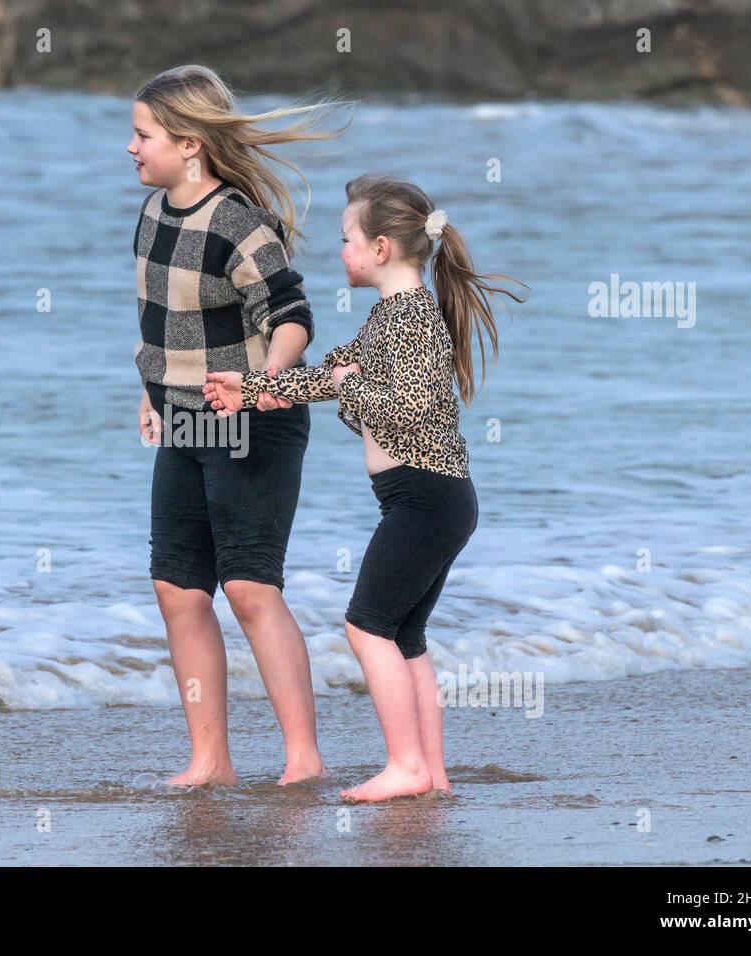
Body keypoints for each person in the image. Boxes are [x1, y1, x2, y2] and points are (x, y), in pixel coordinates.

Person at [204, 173, 527, 801]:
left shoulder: (409, 319)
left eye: (347, 239)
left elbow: (397, 405)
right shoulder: (393, 316)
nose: (340, 251)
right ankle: (429, 771)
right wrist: (256, 388)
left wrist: (347, 388)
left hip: (424, 499)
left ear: (381, 248)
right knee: (404, 635)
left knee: (366, 626)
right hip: (433, 499)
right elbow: (332, 376)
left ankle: (405, 766)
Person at [127, 65, 354, 786]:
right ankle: (210, 761)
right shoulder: (156, 211)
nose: (131, 148)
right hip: (186, 415)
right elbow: (165, 318)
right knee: (178, 588)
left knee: (250, 588)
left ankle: (303, 760)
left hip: (251, 417)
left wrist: (262, 385)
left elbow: (291, 316)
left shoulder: (238, 221)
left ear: (189, 143)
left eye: (143, 135)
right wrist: (152, 393)